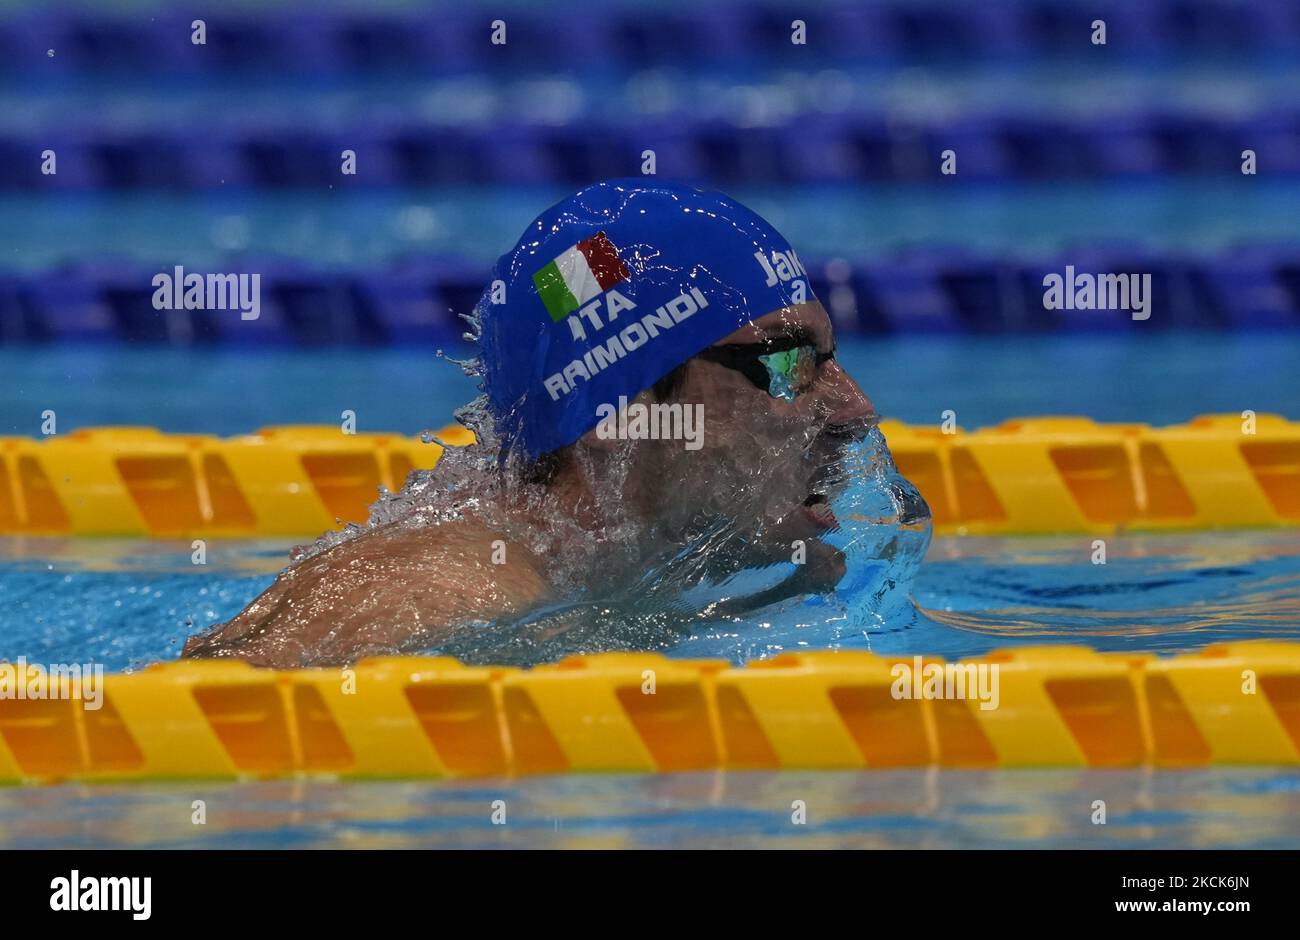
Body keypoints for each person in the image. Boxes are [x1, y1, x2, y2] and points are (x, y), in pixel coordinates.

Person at [183, 180, 893, 667]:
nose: (853, 407)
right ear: (622, 411)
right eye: (786, 362)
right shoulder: (434, 602)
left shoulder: (576, 580)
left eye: (830, 360)